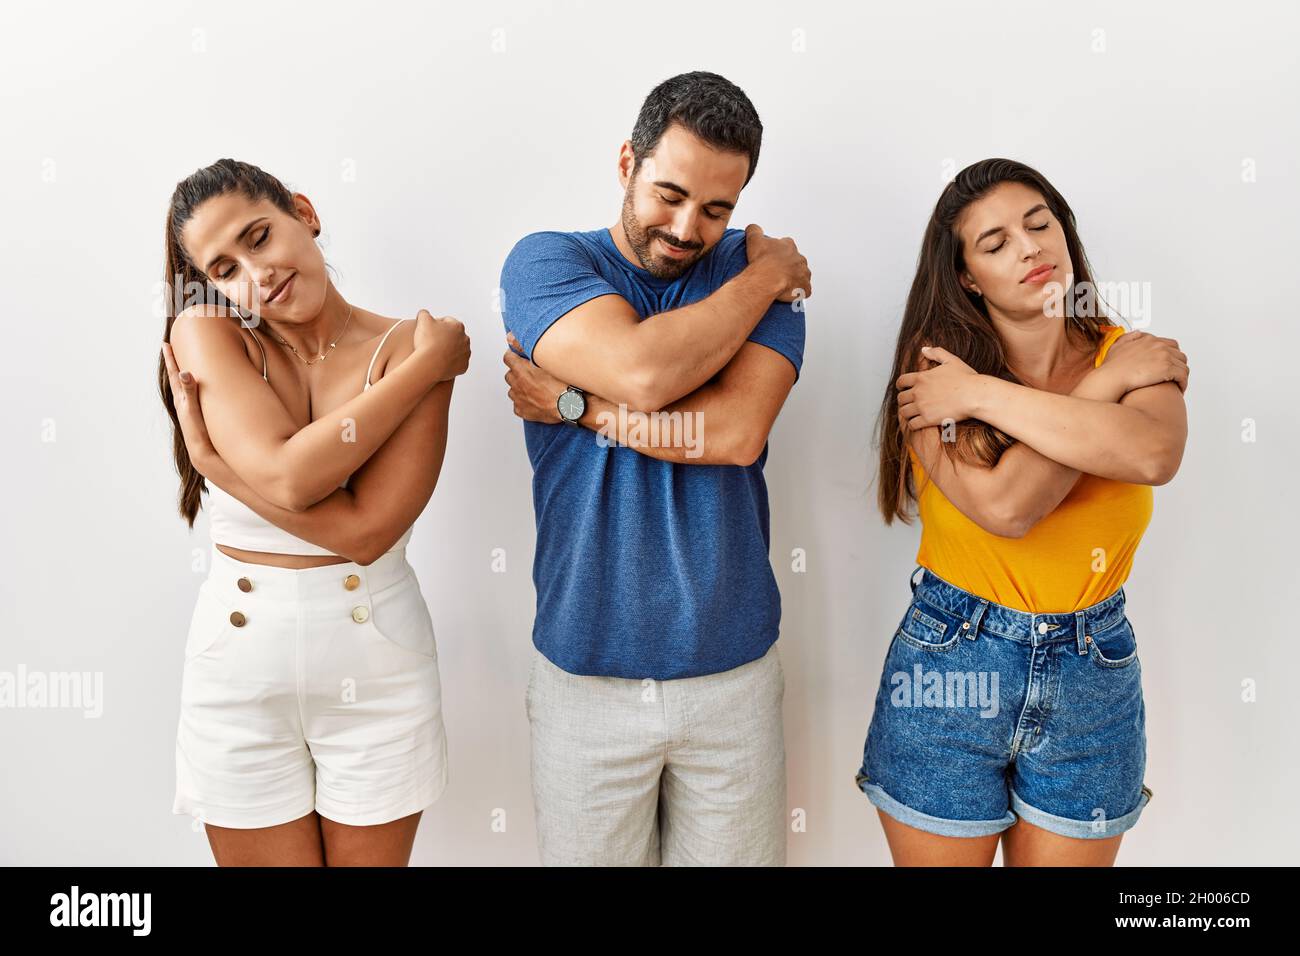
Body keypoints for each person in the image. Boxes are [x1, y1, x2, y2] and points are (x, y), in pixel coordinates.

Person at [498, 71, 810, 865]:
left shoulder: (760, 270)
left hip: (731, 675)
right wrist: (761, 284)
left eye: (716, 209)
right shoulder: (546, 264)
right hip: (584, 677)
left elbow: (736, 431)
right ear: (627, 162)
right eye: (669, 194)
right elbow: (643, 371)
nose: (686, 227)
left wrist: (578, 406)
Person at [856, 157, 1188, 866]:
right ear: (968, 276)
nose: (1030, 248)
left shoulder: (1131, 356)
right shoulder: (934, 376)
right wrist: (1102, 391)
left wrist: (984, 397)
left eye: (1040, 226)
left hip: (1092, 672)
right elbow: (1007, 507)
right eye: (996, 242)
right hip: (951, 663)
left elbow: (1156, 454)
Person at [158, 158, 470, 866]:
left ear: (304, 210)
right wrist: (427, 368)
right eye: (226, 267)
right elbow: (292, 478)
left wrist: (223, 469)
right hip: (239, 665)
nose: (255, 274)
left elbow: (368, 534)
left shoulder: (400, 342)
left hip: (377, 657)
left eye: (260, 236)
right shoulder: (208, 330)